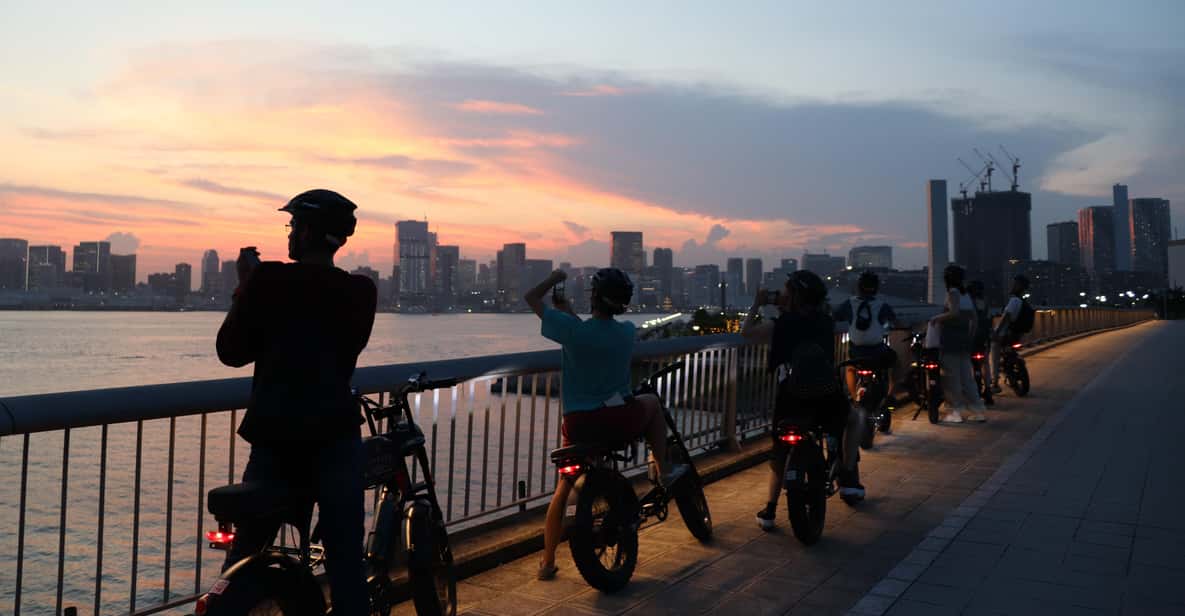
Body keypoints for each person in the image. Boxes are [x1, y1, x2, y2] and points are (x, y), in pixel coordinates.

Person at [216, 189, 377, 615]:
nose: (288, 234)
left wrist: (246, 286)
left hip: (275, 442)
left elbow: (230, 351)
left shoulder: (269, 281)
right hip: (336, 441)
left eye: (292, 226)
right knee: (345, 562)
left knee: (244, 557)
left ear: (305, 232)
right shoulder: (361, 292)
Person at [525, 267, 683, 581]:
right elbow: (599, 337)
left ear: (594, 297)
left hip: (580, 425)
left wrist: (554, 279)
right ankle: (662, 468)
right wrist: (570, 315)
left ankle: (547, 561)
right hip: (617, 421)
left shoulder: (572, 332)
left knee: (564, 487)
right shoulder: (625, 331)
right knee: (651, 403)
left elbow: (531, 299)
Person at [743, 270, 863, 531]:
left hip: (791, 396)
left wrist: (758, 303)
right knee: (855, 419)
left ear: (794, 295)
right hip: (825, 394)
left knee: (781, 449)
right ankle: (846, 469)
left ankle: (770, 509)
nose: (782, 294)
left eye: (787, 290)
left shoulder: (781, 323)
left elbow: (747, 333)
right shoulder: (825, 321)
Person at [928, 264, 986, 424]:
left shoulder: (953, 293)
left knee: (951, 377)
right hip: (964, 340)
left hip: (951, 339)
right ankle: (978, 411)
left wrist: (936, 318)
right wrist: (970, 337)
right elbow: (974, 318)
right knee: (967, 377)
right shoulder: (966, 294)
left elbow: (954, 312)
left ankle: (955, 412)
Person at [834, 271, 898, 404]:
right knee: (893, 362)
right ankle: (890, 394)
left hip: (856, 351)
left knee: (850, 368)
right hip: (877, 351)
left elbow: (836, 316)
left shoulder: (849, 303)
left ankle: (854, 398)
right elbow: (895, 321)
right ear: (876, 288)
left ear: (858, 287)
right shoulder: (882, 305)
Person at [991, 275, 1032, 393]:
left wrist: (997, 332)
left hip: (1006, 334)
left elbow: (1006, 317)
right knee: (1006, 352)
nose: (1012, 285)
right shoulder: (1024, 302)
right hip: (1017, 334)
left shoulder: (1014, 300)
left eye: (1014, 283)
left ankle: (994, 382)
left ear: (1018, 286)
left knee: (994, 351)